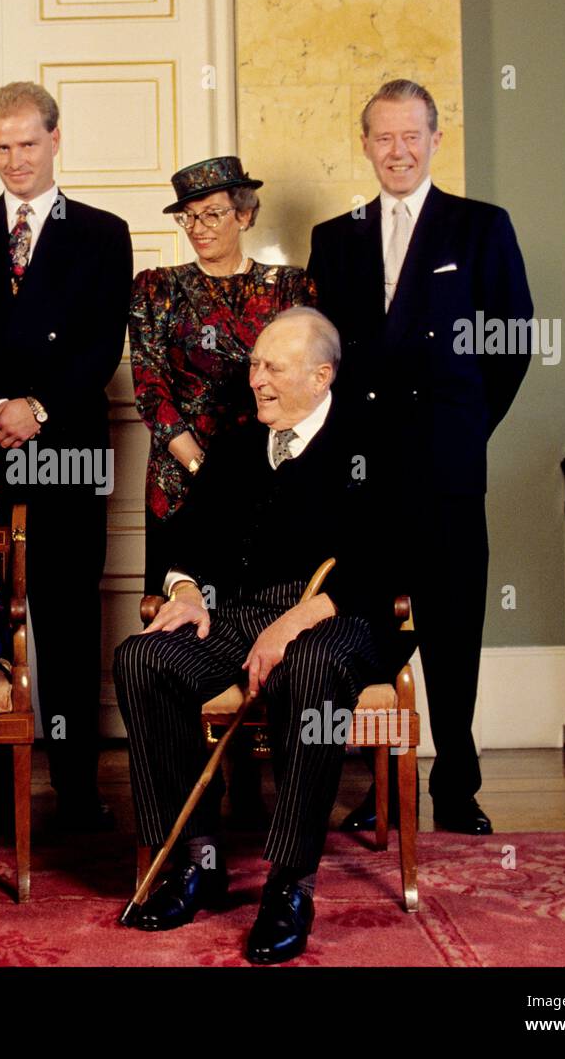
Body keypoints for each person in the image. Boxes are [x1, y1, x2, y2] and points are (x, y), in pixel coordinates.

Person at [113, 308, 397, 964]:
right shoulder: (241, 444)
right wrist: (186, 592)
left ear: (321, 375)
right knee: (143, 659)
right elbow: (190, 539)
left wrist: (293, 625)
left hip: (335, 616)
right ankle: (195, 858)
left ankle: (290, 884)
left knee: (310, 669)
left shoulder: (372, 440)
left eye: (273, 367)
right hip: (237, 614)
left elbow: (388, 561)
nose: (257, 379)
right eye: (254, 365)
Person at [307, 79, 534, 836]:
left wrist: (467, 427)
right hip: (366, 473)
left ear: (436, 139)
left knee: (452, 625)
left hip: (445, 465)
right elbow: (326, 356)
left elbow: (509, 343)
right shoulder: (335, 237)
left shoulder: (480, 227)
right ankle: (385, 779)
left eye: (411, 136)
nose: (397, 151)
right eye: (383, 137)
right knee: (370, 626)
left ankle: (457, 786)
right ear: (364, 143)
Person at [0, 81, 133, 831]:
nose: (16, 160)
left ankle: (76, 787)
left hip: (67, 443)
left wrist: (35, 407)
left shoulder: (104, 232)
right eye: (3, 146)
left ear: (56, 139)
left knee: (69, 612)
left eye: (29, 144)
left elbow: (102, 341)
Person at [130, 156, 315, 595]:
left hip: (269, 472)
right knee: (179, 618)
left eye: (211, 213)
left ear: (245, 214)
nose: (198, 227)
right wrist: (201, 466)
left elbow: (308, 381)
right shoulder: (157, 287)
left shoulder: (290, 287)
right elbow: (150, 390)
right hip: (182, 477)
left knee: (264, 610)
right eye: (188, 216)